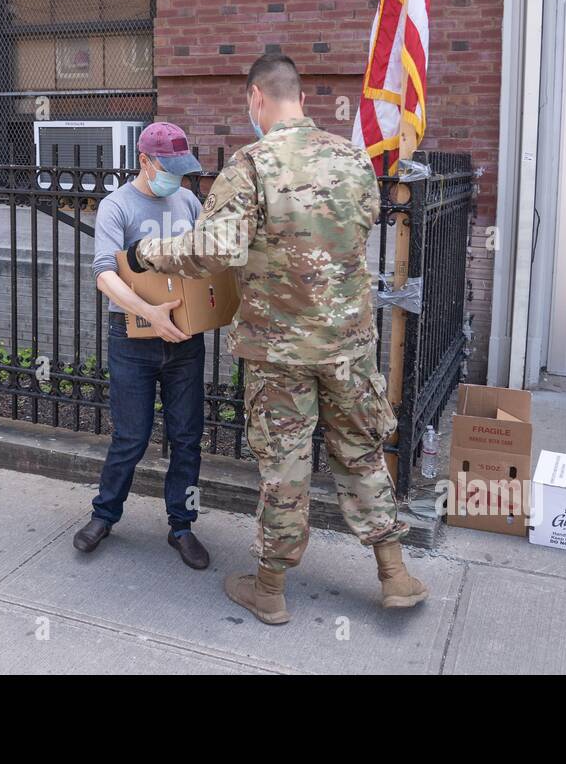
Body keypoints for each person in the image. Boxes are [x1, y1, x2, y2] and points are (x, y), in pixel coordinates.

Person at [124, 53, 426, 624]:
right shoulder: (351, 158)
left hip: (279, 349)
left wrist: (147, 253)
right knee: (360, 451)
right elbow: (363, 227)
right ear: (303, 100)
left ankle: (269, 589)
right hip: (349, 342)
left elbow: (216, 248)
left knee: (284, 467)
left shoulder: (251, 165)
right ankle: (394, 573)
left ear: (255, 99)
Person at [72, 122, 211, 570]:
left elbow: (208, 256)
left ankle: (182, 525)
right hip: (133, 339)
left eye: (182, 170)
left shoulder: (188, 200)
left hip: (186, 339)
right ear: (145, 161)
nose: (177, 178)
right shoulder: (117, 207)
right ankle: (105, 514)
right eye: (169, 168)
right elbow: (103, 274)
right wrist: (149, 313)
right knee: (130, 437)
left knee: (187, 438)